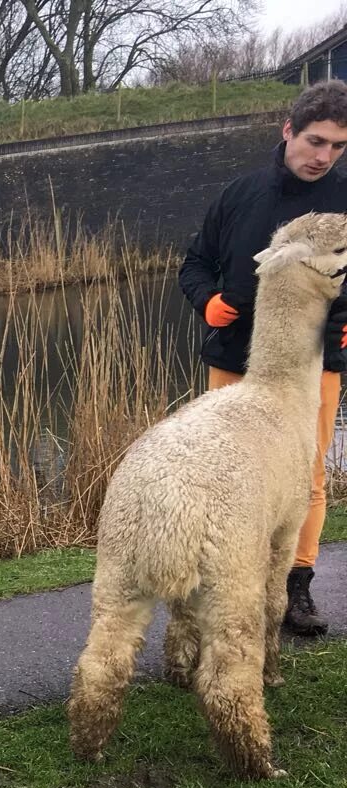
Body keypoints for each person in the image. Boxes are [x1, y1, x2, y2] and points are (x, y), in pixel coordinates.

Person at [179, 78, 347, 636]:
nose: (324, 157)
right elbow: (194, 264)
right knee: (222, 475)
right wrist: (209, 301)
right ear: (288, 132)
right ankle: (223, 584)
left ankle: (293, 589)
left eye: (338, 147)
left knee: (307, 479)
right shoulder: (239, 195)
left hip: (313, 365)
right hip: (235, 360)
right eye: (316, 141)